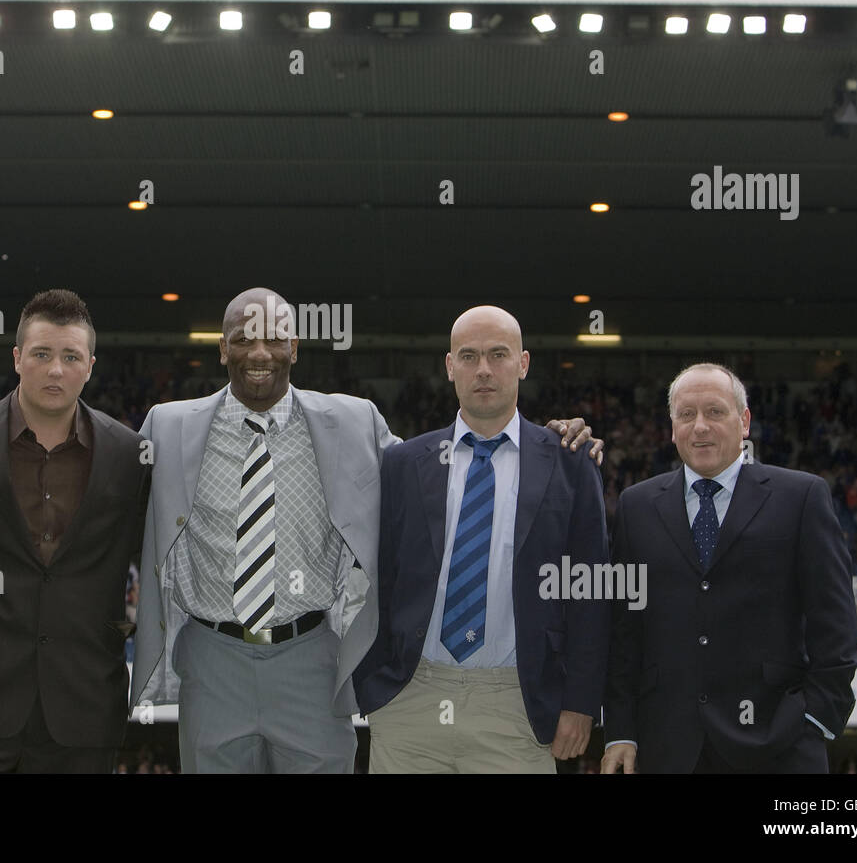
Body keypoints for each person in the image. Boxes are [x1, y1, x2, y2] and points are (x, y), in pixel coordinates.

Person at [131, 288, 600, 773]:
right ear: (222, 348)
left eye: (273, 338)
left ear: (294, 347)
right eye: (242, 339)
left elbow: (441, 472)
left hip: (311, 658)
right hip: (212, 660)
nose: (259, 353)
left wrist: (551, 442)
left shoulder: (355, 421)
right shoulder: (166, 428)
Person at [354, 306, 609, 772]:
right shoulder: (405, 464)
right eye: (469, 357)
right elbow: (380, 578)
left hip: (517, 703)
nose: (484, 370)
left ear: (524, 363)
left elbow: (590, 593)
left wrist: (582, 701)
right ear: (450, 367)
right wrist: (375, 683)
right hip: (412, 700)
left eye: (498, 354)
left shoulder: (570, 462)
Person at [0, 290, 149, 773]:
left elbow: (158, 556)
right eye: (42, 354)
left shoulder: (130, 454)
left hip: (83, 713)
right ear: (18, 358)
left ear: (90, 365)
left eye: (70, 357)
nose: (56, 369)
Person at [602, 363, 857, 774]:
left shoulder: (802, 497)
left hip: (778, 744)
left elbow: (836, 622)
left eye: (715, 412)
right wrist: (620, 729)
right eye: (687, 415)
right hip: (667, 745)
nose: (699, 426)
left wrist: (816, 719)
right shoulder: (636, 506)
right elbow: (624, 631)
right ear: (672, 428)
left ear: (744, 421)